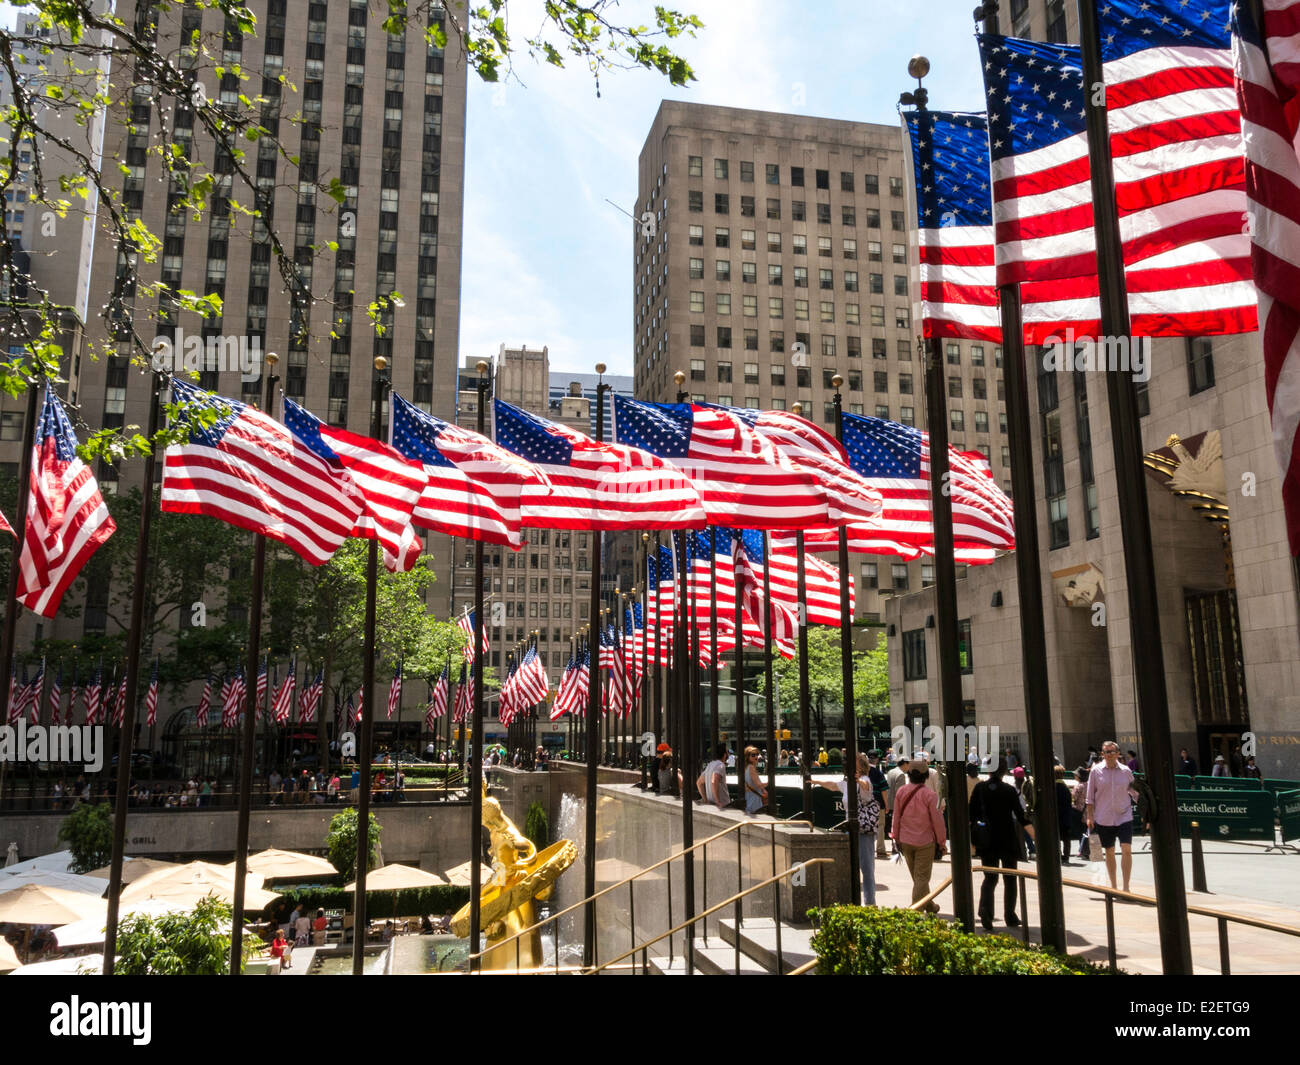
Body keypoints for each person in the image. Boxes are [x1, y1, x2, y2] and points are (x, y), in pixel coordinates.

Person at [968, 764, 1034, 930]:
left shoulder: (980, 788)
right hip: (1007, 838)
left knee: (990, 877)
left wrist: (971, 838)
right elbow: (1020, 815)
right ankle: (1010, 915)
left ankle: (985, 910)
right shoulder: (1009, 790)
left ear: (989, 770)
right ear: (1004, 772)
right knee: (1010, 878)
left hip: (987, 839)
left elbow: (971, 814)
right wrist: (1034, 836)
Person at [814, 753, 879, 905]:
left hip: (863, 830)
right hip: (850, 828)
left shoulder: (864, 779)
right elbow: (832, 785)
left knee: (867, 868)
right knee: (851, 866)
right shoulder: (846, 783)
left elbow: (866, 785)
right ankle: (852, 900)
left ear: (861, 767)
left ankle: (870, 903)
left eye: (852, 762)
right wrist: (814, 781)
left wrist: (859, 780)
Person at [1085, 741, 1140, 893]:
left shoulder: (1126, 771)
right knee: (1109, 851)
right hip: (1103, 817)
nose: (1109, 754)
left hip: (1124, 816)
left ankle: (1126, 887)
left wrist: (1146, 810)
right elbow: (1089, 797)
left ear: (1118, 753)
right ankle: (1114, 886)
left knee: (1126, 849)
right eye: (1106, 752)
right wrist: (1090, 817)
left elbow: (1135, 793)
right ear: (1102, 754)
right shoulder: (1095, 771)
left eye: (1112, 751)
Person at [890, 765, 947, 911]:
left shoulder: (901, 791)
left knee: (918, 879)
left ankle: (930, 905)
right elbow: (938, 822)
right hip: (925, 842)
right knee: (921, 878)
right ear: (926, 776)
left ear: (909, 775)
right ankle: (914, 912)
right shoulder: (931, 795)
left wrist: (895, 837)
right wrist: (941, 842)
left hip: (905, 840)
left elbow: (896, 817)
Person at [885, 756, 910, 854]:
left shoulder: (891, 772)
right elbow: (900, 794)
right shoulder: (901, 775)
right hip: (896, 805)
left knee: (892, 827)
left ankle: (894, 847)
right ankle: (898, 848)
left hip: (889, 803)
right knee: (898, 827)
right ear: (905, 764)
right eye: (909, 764)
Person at [697, 743, 729, 810]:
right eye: (727, 752)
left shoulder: (710, 765)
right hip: (722, 805)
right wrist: (718, 801)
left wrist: (705, 799)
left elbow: (699, 782)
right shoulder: (721, 765)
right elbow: (714, 781)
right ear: (725, 754)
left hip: (711, 805)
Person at [1054, 766, 1073, 865]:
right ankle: (1066, 857)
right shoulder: (1066, 787)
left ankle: (1059, 856)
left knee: (1056, 838)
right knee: (1066, 839)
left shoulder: (1053, 787)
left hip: (1056, 817)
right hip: (1066, 817)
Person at [742, 746, 767, 815]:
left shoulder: (746, 768)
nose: (756, 756)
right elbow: (758, 785)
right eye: (753, 755)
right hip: (754, 799)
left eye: (757, 754)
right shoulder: (751, 767)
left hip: (749, 797)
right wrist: (770, 782)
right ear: (747, 757)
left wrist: (763, 789)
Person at [1071, 767, 1089, 859]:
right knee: (1092, 832)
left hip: (1080, 813)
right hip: (1090, 812)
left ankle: (1084, 851)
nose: (1074, 776)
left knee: (1082, 833)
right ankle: (1095, 853)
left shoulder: (1078, 786)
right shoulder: (1090, 785)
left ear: (1079, 776)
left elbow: (1074, 798)